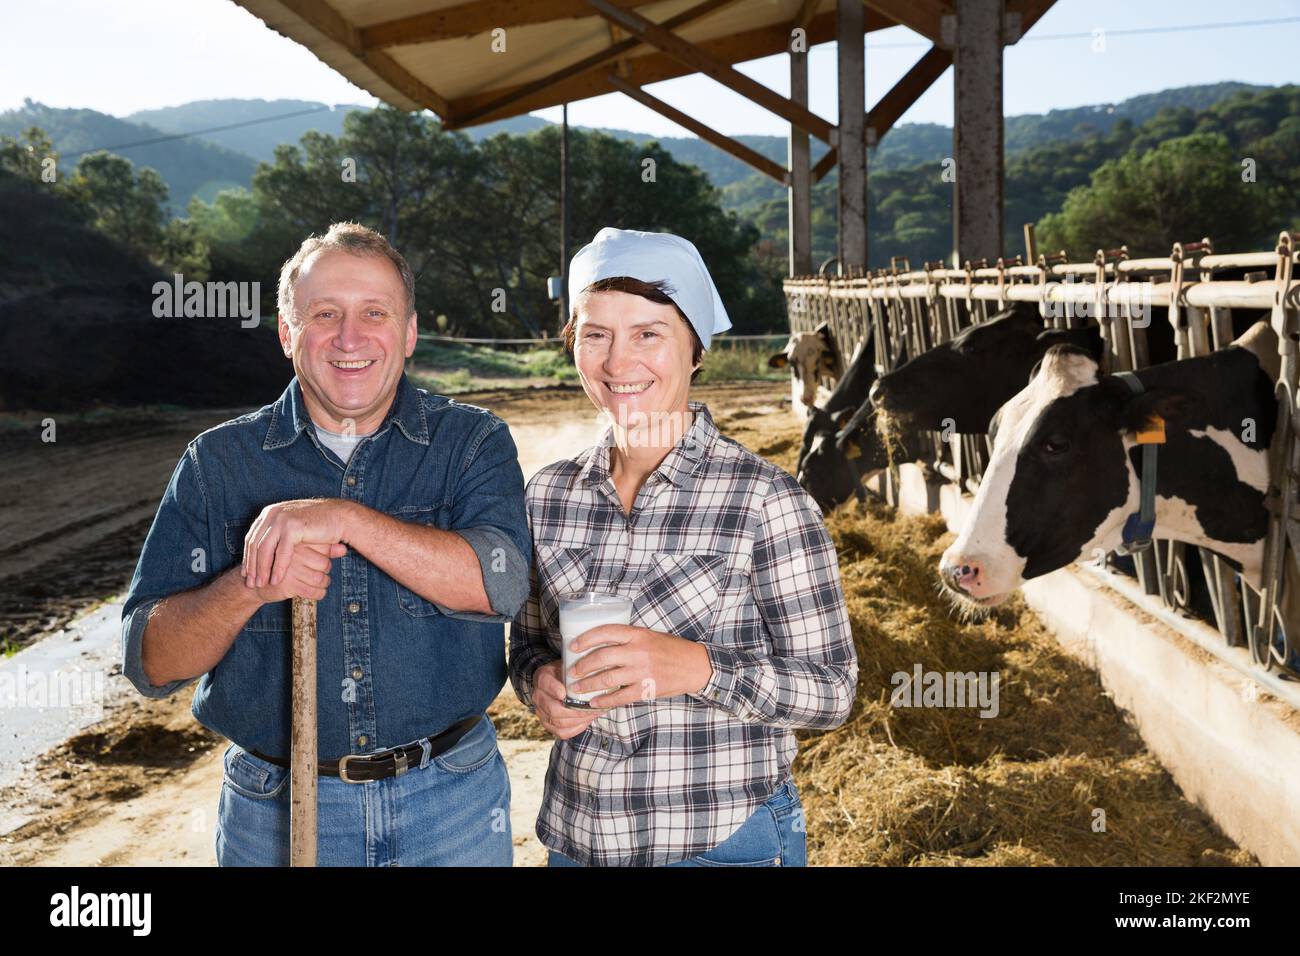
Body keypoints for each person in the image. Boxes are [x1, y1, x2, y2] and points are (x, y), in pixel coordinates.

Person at [121, 222, 530, 866]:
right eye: (324, 315)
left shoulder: (470, 444)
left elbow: (500, 584)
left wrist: (346, 519)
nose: (350, 338)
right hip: (273, 810)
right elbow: (152, 661)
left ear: (410, 333)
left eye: (375, 313)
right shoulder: (217, 464)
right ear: (287, 335)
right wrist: (253, 583)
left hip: (450, 805)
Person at [509, 227, 857, 867]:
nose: (619, 363)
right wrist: (539, 684)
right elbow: (529, 643)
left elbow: (833, 691)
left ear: (696, 349)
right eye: (596, 334)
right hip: (578, 838)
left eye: (648, 333)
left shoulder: (766, 500)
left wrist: (697, 667)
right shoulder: (548, 496)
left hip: (719, 839)